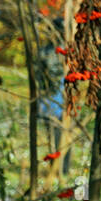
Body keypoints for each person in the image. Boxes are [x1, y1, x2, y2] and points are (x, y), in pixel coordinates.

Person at [34, 18, 68, 173]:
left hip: (62, 93)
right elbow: (38, 74)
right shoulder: (45, 52)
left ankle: (63, 168)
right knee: (53, 131)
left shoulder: (68, 51)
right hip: (51, 95)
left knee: (64, 132)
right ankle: (55, 166)